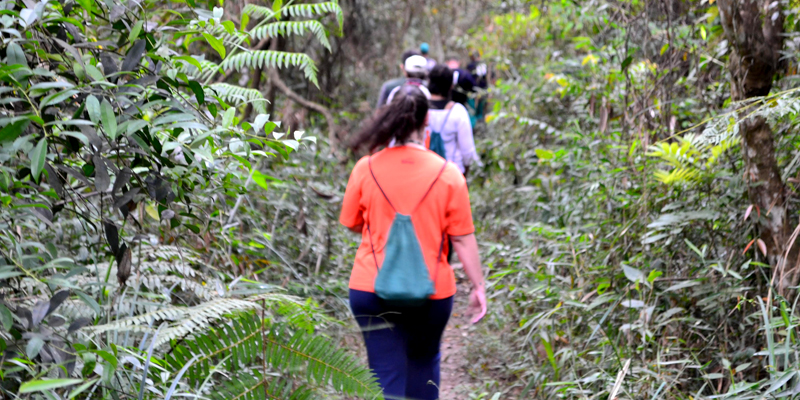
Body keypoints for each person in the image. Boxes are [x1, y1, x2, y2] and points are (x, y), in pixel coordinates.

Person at [341, 85, 487, 400]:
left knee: (384, 374)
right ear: (426, 126)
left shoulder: (365, 168)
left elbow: (353, 222)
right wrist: (478, 286)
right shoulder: (449, 175)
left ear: (389, 121)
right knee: (423, 367)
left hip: (371, 288)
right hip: (432, 292)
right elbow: (461, 237)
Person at [426, 64, 480, 177]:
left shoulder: (420, 108)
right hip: (452, 174)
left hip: (425, 173)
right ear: (451, 86)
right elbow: (467, 152)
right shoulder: (458, 111)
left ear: (429, 82)